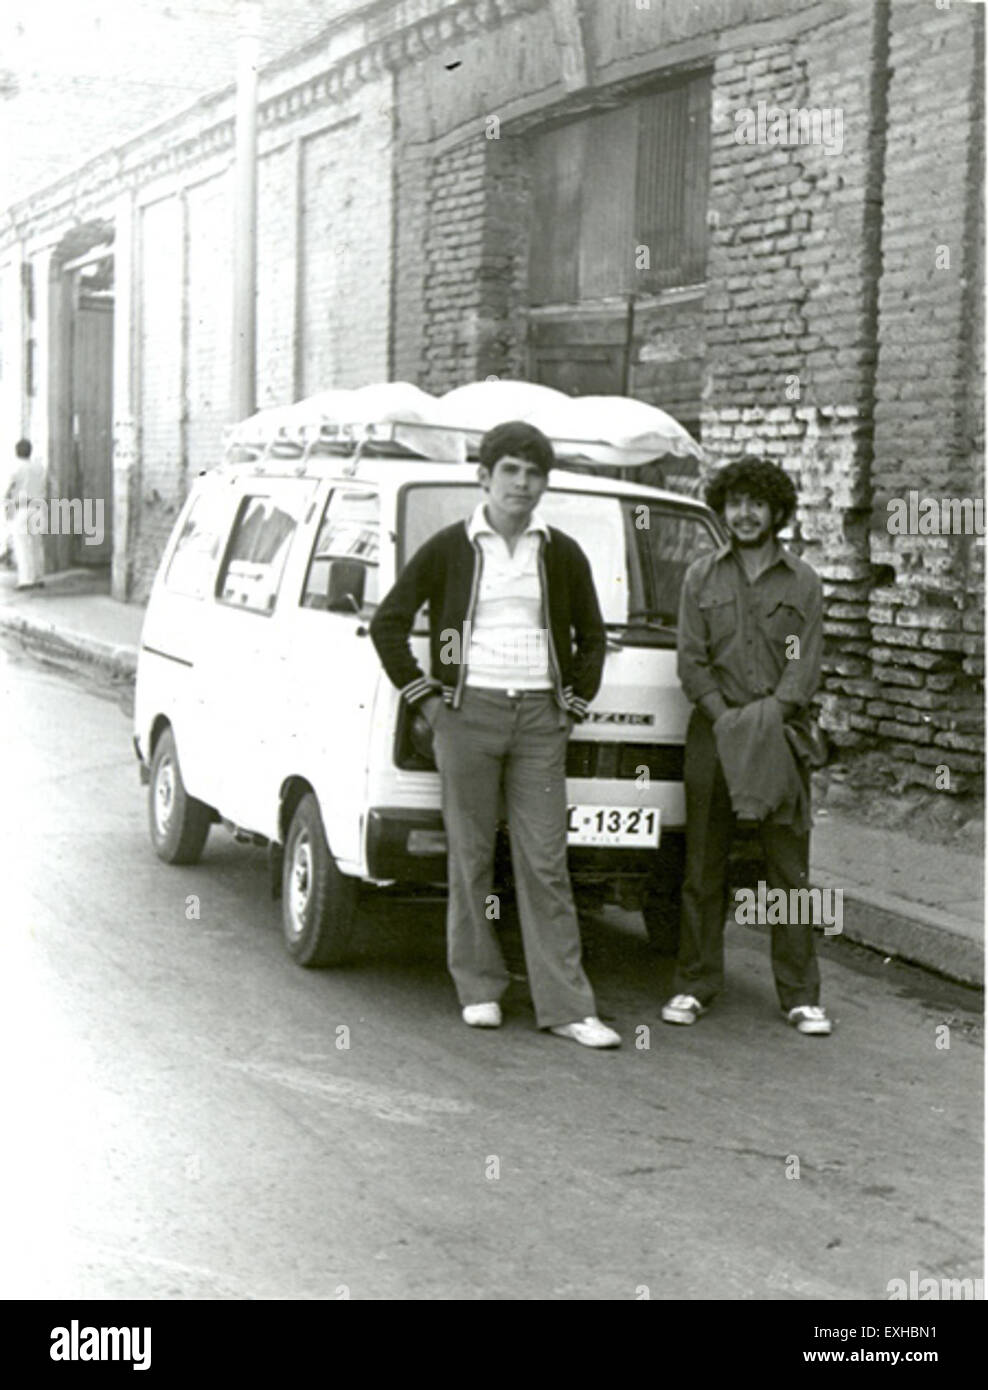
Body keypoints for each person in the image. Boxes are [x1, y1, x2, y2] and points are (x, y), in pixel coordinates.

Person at [370, 421, 621, 1048]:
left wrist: (574, 702)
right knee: (471, 856)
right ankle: (479, 987)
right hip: (467, 713)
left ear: (545, 484)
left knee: (545, 861)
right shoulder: (452, 547)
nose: (523, 484)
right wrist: (428, 701)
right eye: (510, 470)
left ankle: (566, 1005)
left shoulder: (558, 552)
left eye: (534, 474)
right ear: (484, 478)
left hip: (540, 718)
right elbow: (389, 624)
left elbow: (591, 637)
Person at [661, 455, 833, 1036]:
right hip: (714, 732)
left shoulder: (803, 581)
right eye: (735, 501)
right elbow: (692, 660)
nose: (745, 512)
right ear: (723, 508)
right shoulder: (700, 577)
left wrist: (763, 720)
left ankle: (802, 996)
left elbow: (802, 667)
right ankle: (695, 983)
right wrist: (726, 720)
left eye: (757, 502)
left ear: (777, 511)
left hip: (780, 737)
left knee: (787, 871)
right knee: (702, 865)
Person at [5, 439, 46, 590]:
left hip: (22, 508)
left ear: (17, 451)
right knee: (37, 543)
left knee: (22, 544)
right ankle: (39, 577)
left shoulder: (15, 468)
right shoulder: (39, 467)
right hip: (38, 506)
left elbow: (8, 488)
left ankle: (26, 579)